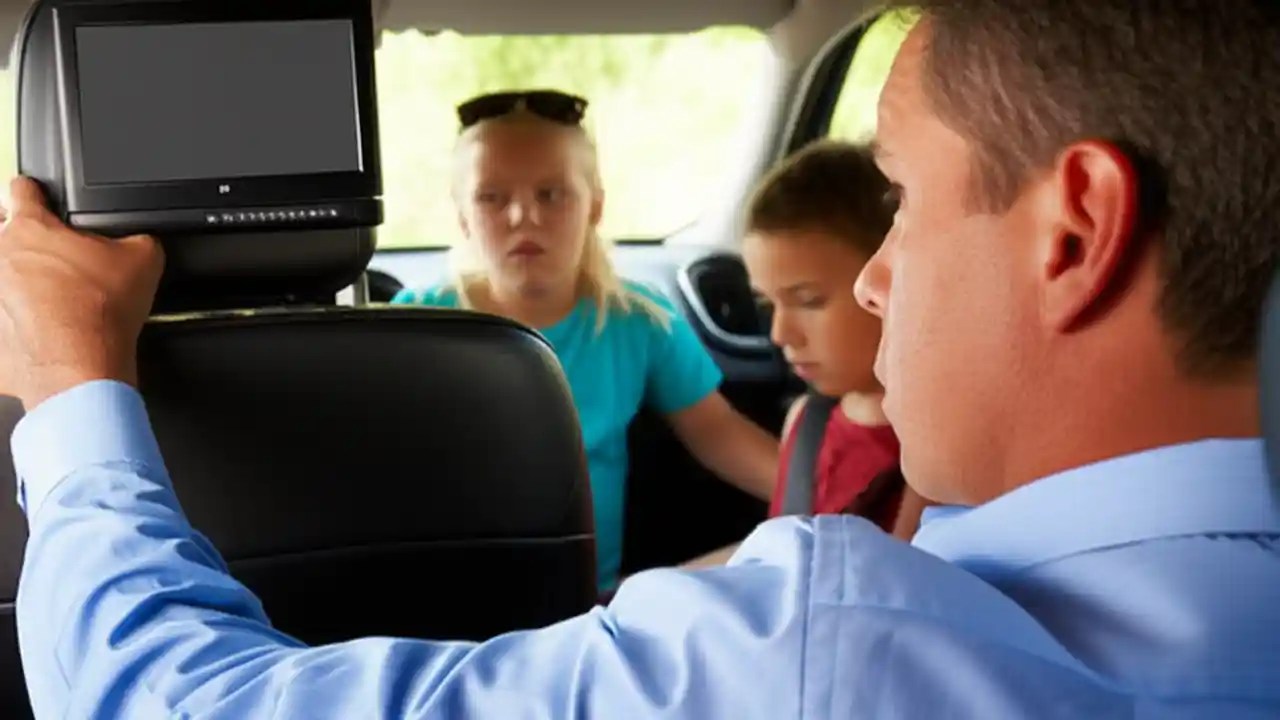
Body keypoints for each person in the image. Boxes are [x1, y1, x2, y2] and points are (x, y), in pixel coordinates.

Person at [6, 1, 1280, 716]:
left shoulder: (818, 652)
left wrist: (72, 386)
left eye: (895, 199)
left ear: (1075, 232)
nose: (875, 279)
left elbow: (161, 703)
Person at [391, 89, 780, 593]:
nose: (522, 217)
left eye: (551, 194)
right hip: (455, 594)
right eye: (492, 197)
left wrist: (831, 499)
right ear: (463, 216)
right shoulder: (421, 324)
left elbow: (716, 431)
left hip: (589, 598)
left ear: (595, 206)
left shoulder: (636, 321)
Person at [687, 140, 928, 569]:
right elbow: (779, 564)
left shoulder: (933, 451)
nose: (780, 333)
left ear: (887, 282)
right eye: (768, 305)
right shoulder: (808, 422)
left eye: (810, 301)